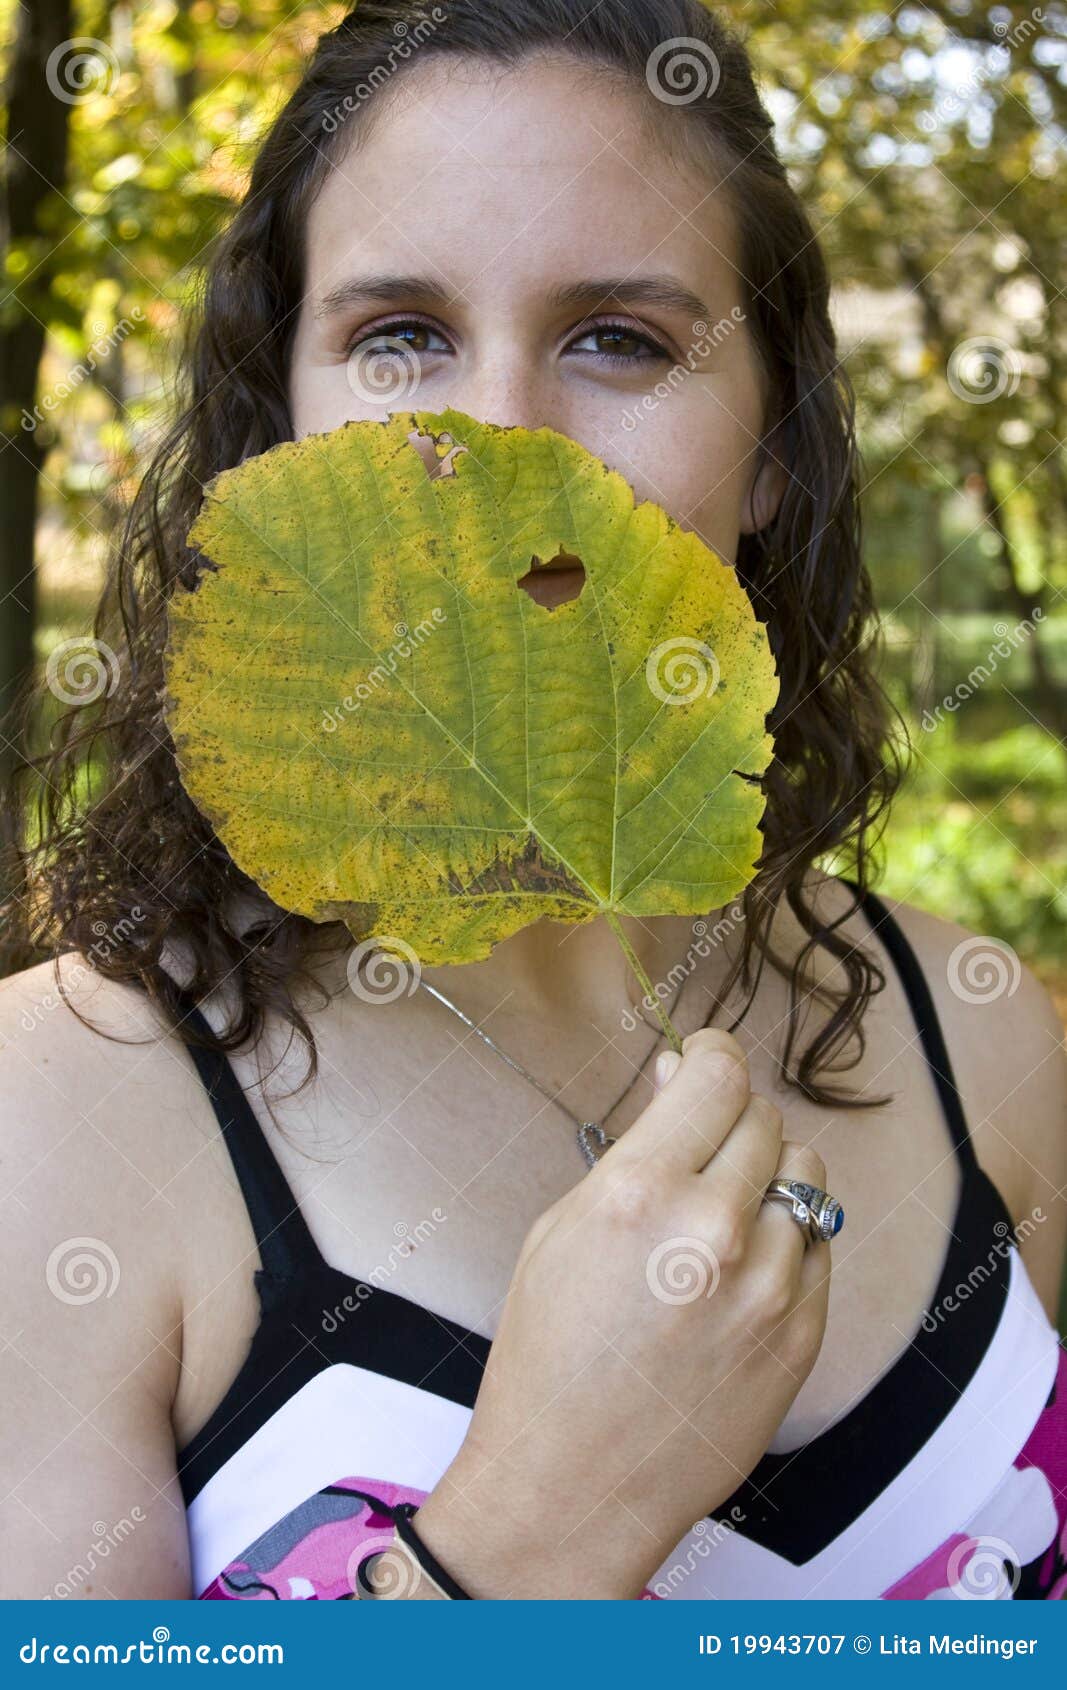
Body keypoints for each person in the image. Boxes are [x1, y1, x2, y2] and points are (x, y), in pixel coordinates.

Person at [1, 0, 1064, 1603]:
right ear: (275, 416)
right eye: (399, 336)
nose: (499, 441)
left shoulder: (978, 1032)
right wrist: (524, 1541)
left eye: (619, 339)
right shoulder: (55, 1122)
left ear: (773, 447)